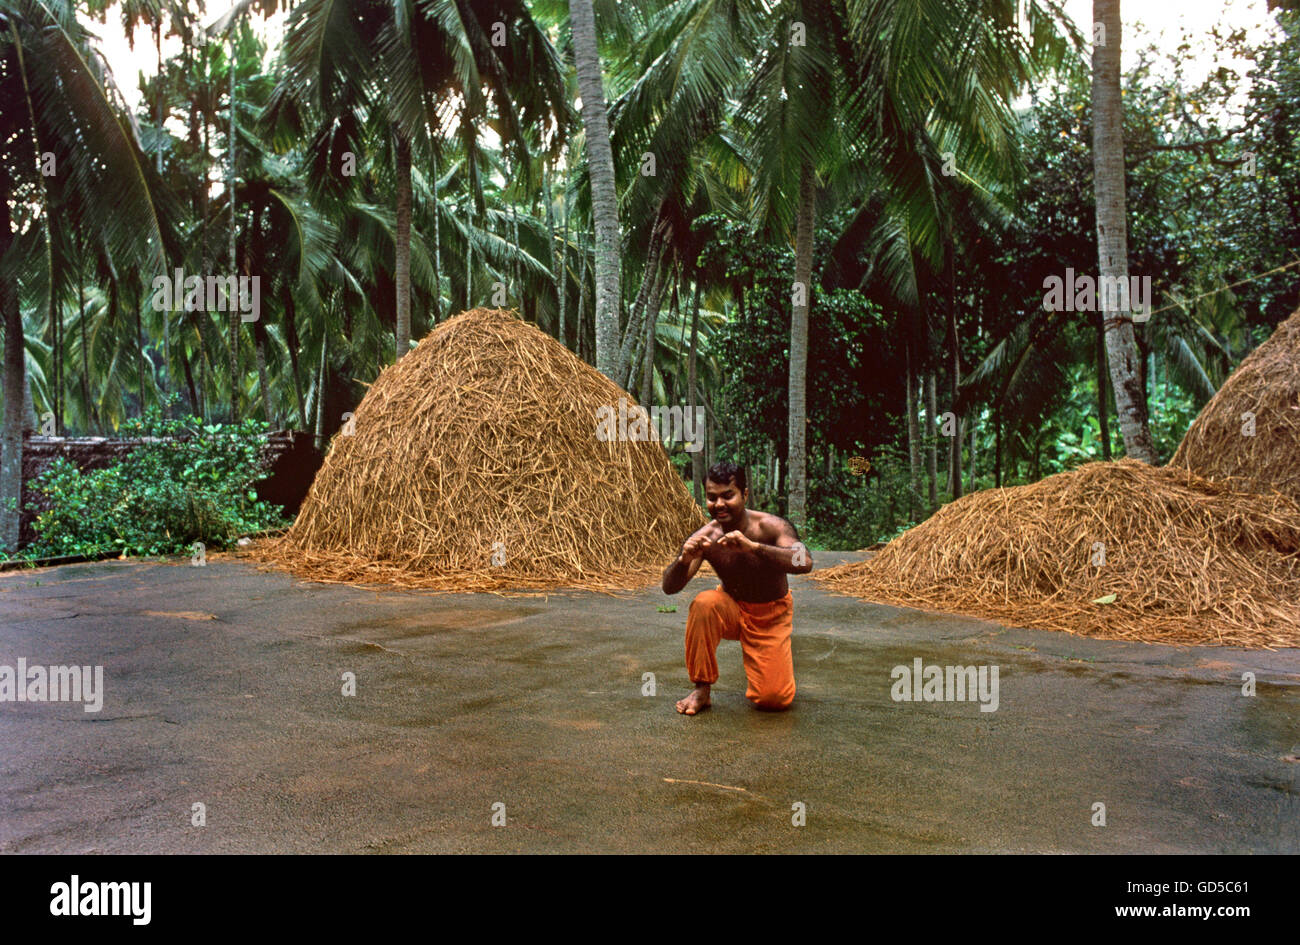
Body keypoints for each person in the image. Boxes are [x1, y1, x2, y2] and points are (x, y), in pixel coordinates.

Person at [660, 461, 813, 715]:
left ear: (745, 494)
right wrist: (683, 560)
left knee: (774, 700)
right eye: (711, 498)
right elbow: (669, 587)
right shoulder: (706, 536)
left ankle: (771, 663)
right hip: (731, 609)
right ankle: (702, 688)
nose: (719, 504)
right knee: (704, 603)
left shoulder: (771, 526)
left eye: (727, 495)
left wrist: (754, 547)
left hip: (770, 618)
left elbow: (804, 561)